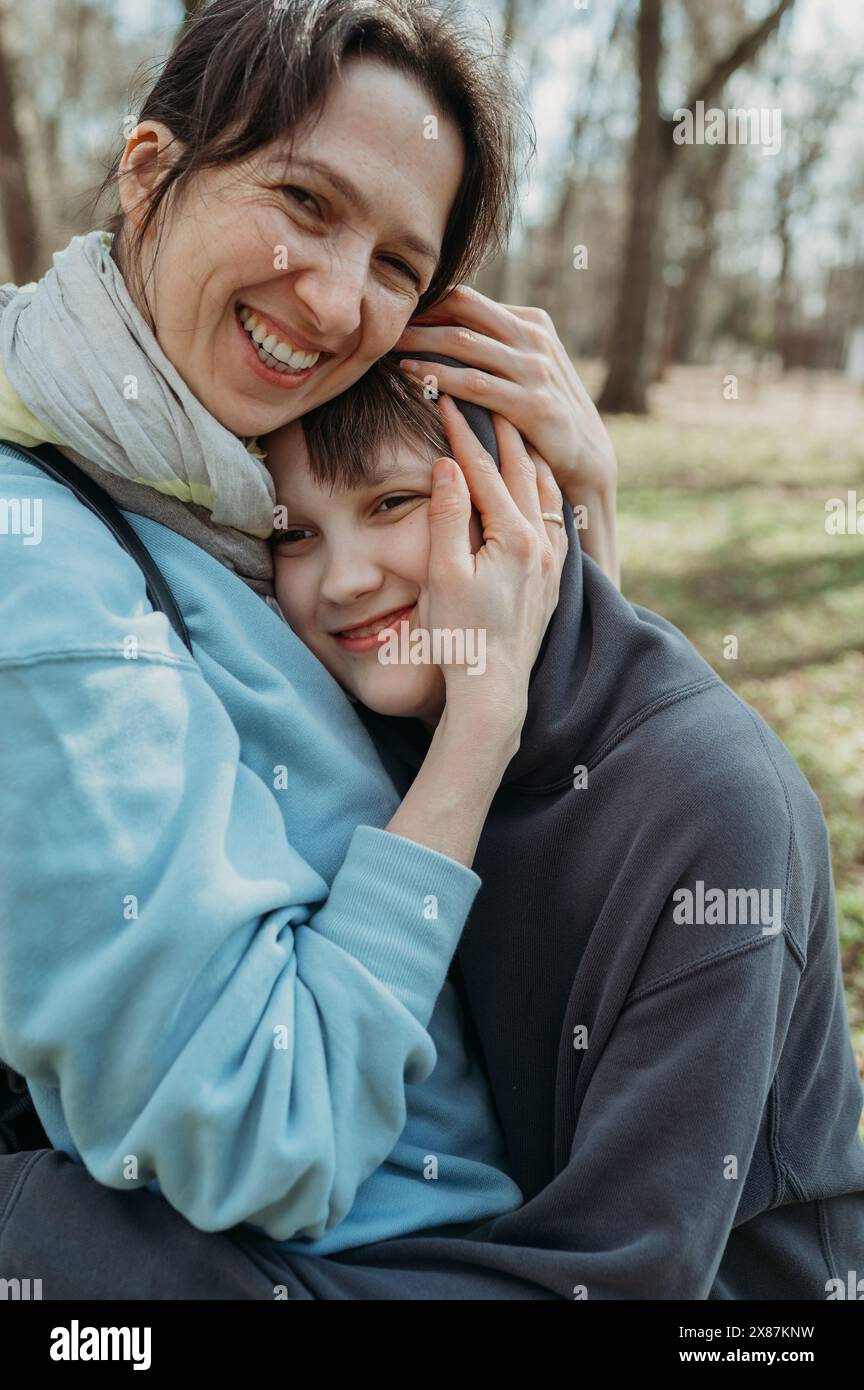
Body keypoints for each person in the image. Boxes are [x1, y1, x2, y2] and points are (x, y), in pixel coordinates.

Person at [0, 0, 620, 1299]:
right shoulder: (47, 583)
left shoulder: (209, 496)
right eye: (304, 200)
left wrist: (580, 525)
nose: (337, 303)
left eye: (400, 263)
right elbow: (257, 1130)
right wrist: (476, 733)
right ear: (151, 170)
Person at [248, 352, 864, 1299]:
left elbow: (626, 1275)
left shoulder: (714, 806)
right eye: (295, 535)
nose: (343, 580)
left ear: (522, 499)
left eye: (391, 504)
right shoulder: (382, 738)